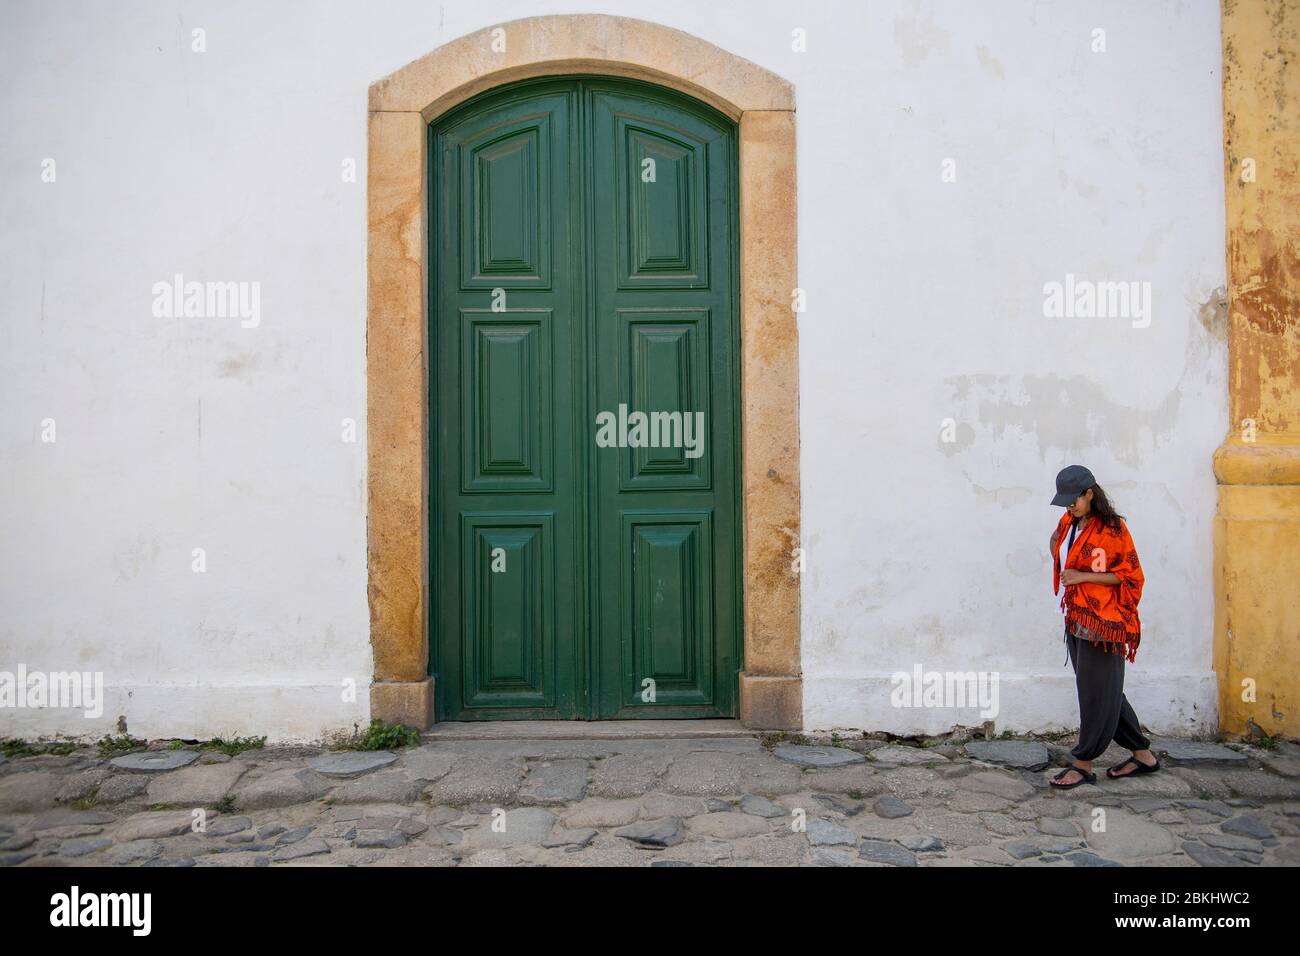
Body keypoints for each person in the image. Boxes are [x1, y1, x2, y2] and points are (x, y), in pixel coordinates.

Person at [1046, 465, 1160, 788]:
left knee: (1094, 693)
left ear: (1090, 494)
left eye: (1074, 500)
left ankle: (1083, 763)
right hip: (1076, 618)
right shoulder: (1070, 522)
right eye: (1065, 501)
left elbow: (1129, 576)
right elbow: (1063, 554)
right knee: (1105, 691)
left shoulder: (1113, 529)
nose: (1069, 506)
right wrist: (1056, 545)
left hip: (1104, 625)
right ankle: (1143, 755)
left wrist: (1082, 576)